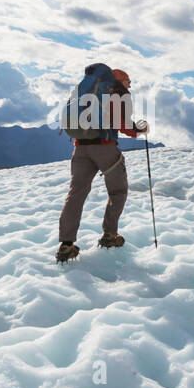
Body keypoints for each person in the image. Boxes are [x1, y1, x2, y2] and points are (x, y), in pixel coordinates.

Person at [56, 67, 149, 262]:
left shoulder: (85, 93)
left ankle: (66, 245)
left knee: (76, 194)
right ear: (118, 80)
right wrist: (140, 129)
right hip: (105, 148)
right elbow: (123, 125)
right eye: (127, 80)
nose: (130, 84)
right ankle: (109, 235)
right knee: (118, 191)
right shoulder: (115, 94)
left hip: (80, 149)